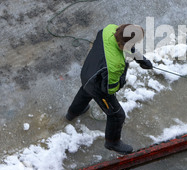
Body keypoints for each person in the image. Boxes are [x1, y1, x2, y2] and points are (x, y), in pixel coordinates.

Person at [66, 24, 153, 154]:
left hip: (87, 71)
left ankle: (72, 113)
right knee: (117, 115)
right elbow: (111, 89)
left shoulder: (108, 30)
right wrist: (124, 71)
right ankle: (112, 142)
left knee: (85, 91)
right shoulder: (116, 65)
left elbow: (124, 43)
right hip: (97, 86)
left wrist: (140, 59)